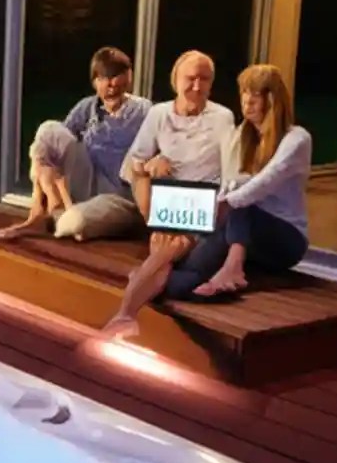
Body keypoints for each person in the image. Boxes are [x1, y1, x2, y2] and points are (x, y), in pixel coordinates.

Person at [101, 50, 236, 338]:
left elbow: (231, 174)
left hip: (200, 203)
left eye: (205, 79)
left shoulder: (223, 117)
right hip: (164, 203)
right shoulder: (159, 114)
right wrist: (150, 164)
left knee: (168, 252)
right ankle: (126, 315)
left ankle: (125, 314)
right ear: (175, 80)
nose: (197, 87)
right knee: (165, 251)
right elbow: (132, 164)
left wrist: (216, 207)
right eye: (191, 79)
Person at [179, 64, 312, 297]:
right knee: (190, 272)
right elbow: (230, 183)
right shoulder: (244, 136)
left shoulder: (297, 138)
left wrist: (225, 204)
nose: (248, 101)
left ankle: (232, 269)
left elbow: (265, 181)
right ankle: (168, 282)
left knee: (241, 206)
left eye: (257, 94)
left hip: (286, 238)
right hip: (245, 232)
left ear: (273, 100)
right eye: (244, 92)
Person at [0, 47, 150, 240]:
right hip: (87, 180)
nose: (110, 85)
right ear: (94, 82)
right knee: (48, 130)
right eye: (102, 78)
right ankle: (38, 214)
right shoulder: (88, 106)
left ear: (128, 76)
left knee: (75, 222)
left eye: (115, 76)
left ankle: (58, 214)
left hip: (119, 196)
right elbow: (55, 142)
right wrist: (46, 170)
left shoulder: (144, 111)